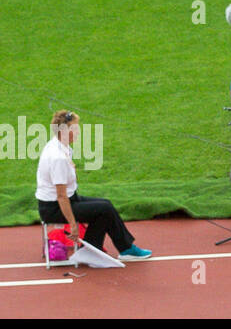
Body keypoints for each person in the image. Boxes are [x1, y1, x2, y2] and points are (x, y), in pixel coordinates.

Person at [35, 111, 152, 260]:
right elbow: (61, 196)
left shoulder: (61, 147)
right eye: (75, 129)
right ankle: (121, 249)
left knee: (105, 205)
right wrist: (72, 224)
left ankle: (95, 250)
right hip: (54, 208)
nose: (78, 132)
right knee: (104, 209)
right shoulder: (57, 157)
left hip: (69, 199)